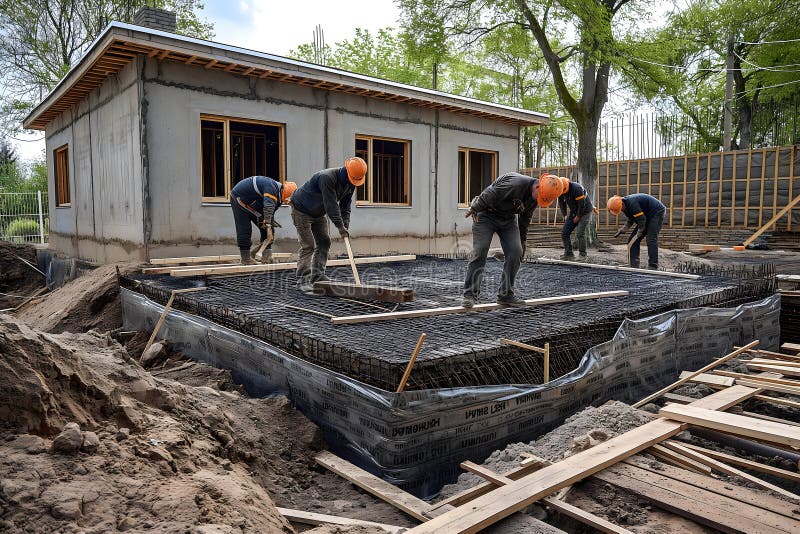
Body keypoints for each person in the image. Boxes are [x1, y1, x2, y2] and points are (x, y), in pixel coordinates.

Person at [461, 173, 562, 308]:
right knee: (480, 250)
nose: (540, 200)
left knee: (516, 251)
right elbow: (490, 193)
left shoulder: (536, 196)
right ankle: (469, 295)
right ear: (537, 186)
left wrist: (522, 241)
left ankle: (506, 295)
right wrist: (474, 207)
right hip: (485, 214)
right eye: (541, 196)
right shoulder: (515, 183)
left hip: (508, 219)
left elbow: (525, 218)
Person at [290, 157, 367, 291]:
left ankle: (318, 276)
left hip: (318, 213)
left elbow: (345, 206)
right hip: (301, 210)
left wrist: (345, 226)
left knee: (324, 242)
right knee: (308, 245)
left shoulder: (351, 183)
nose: (355, 182)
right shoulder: (327, 178)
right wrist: (339, 226)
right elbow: (331, 205)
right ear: (348, 172)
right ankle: (303, 280)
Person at [230, 176, 297, 265]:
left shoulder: (279, 194)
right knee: (244, 228)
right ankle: (245, 259)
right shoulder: (272, 189)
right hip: (239, 198)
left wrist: (269, 222)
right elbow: (268, 207)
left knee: (267, 228)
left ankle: (267, 257)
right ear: (287, 194)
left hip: (253, 202)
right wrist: (268, 223)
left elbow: (271, 210)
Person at [607, 193, 665, 269]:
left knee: (651, 239)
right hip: (645, 216)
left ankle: (653, 266)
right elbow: (631, 219)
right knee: (632, 240)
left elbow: (642, 220)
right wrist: (624, 229)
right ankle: (634, 265)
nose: (621, 210)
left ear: (622, 204)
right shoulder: (624, 205)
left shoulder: (632, 204)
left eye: (621, 209)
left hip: (656, 212)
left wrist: (639, 232)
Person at [557, 176, 594, 261]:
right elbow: (561, 203)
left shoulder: (577, 188)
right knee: (565, 233)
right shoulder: (559, 189)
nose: (563, 193)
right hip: (574, 211)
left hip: (585, 212)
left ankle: (583, 255)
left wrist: (578, 216)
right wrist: (565, 214)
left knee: (580, 233)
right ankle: (569, 253)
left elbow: (582, 205)